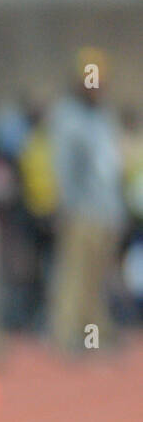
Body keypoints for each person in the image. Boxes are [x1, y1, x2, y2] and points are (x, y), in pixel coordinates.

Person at [47, 47, 126, 353]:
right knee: (75, 279)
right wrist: (67, 206)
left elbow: (110, 167)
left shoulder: (104, 115)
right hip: (81, 213)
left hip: (105, 212)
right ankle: (68, 336)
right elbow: (65, 167)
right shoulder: (69, 117)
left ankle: (94, 337)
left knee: (96, 283)